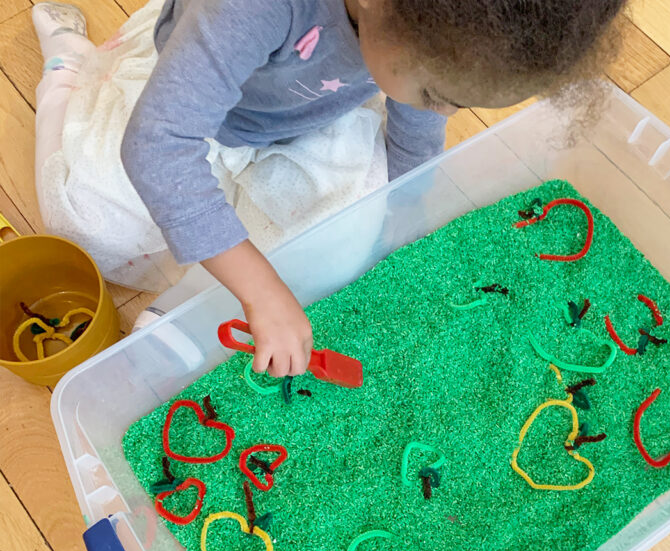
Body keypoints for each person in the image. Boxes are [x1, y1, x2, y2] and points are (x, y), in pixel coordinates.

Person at [33, 0, 625, 377]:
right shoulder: (250, 8)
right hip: (183, 103)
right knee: (86, 227)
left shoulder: (427, 29)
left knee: (350, 233)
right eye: (438, 92)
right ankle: (68, 67)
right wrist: (262, 294)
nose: (442, 110)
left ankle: (184, 303)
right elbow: (157, 143)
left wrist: (411, 204)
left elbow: (416, 116)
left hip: (306, 114)